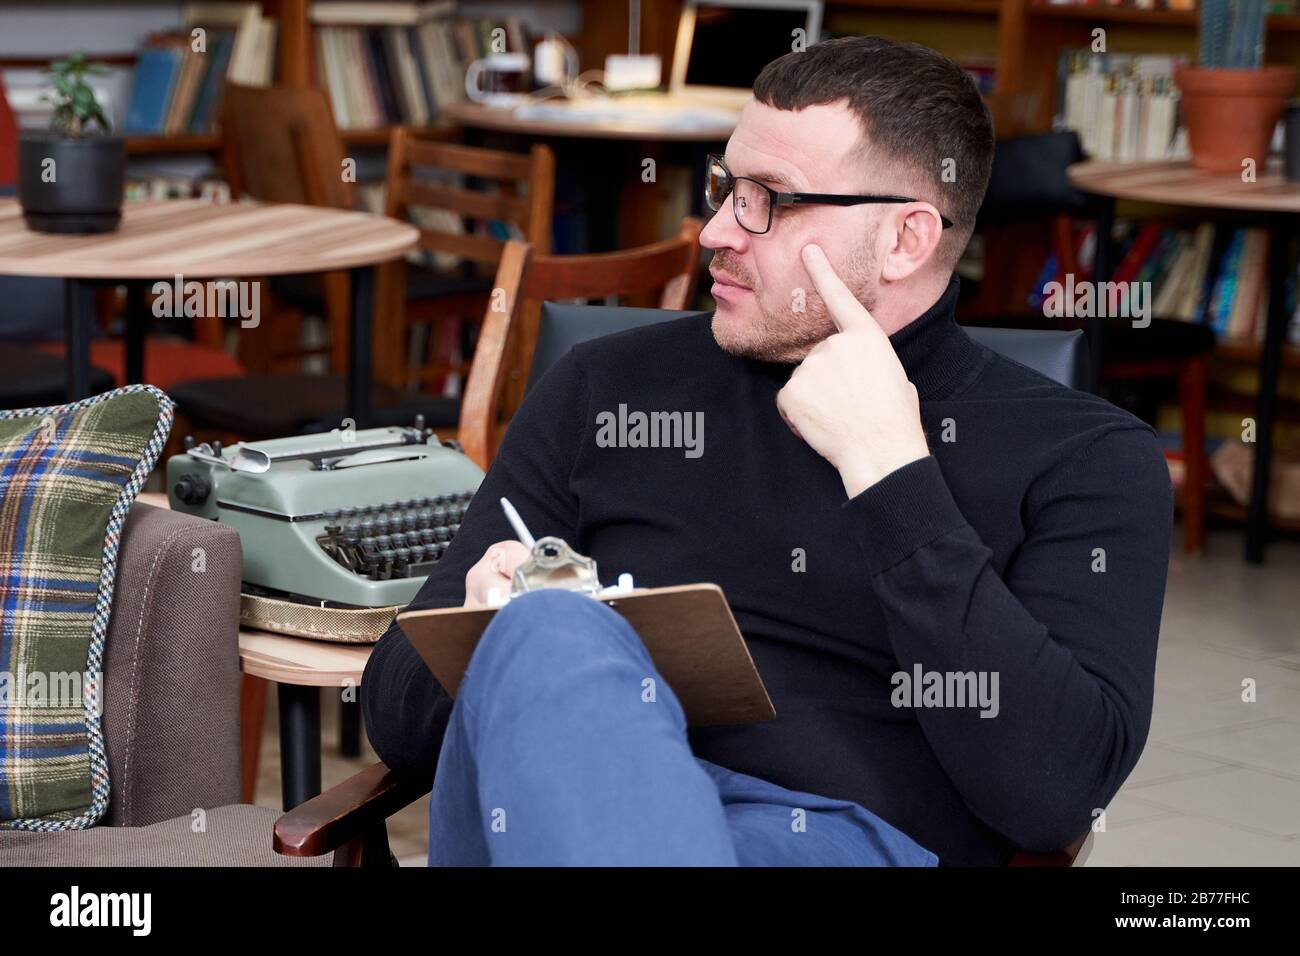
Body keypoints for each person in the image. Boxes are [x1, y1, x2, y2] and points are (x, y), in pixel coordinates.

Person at [362, 35, 1172, 866]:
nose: (717, 230)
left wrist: (894, 474)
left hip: (830, 840)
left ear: (906, 239)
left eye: (770, 200)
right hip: (552, 810)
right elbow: (394, 720)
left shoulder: (1088, 458)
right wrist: (489, 629)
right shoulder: (605, 390)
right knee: (552, 629)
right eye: (726, 187)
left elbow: (1054, 796)